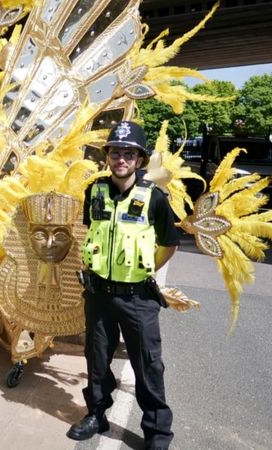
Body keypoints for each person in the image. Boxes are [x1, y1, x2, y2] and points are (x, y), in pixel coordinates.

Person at [67, 121, 179, 449]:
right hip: (99, 293)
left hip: (137, 297)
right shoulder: (95, 192)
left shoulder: (154, 198)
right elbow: (92, 234)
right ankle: (97, 414)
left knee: (148, 364)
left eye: (129, 153)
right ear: (108, 156)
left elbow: (169, 243)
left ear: (139, 160)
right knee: (97, 358)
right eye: (116, 152)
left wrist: (144, 271)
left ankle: (157, 433)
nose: (121, 159)